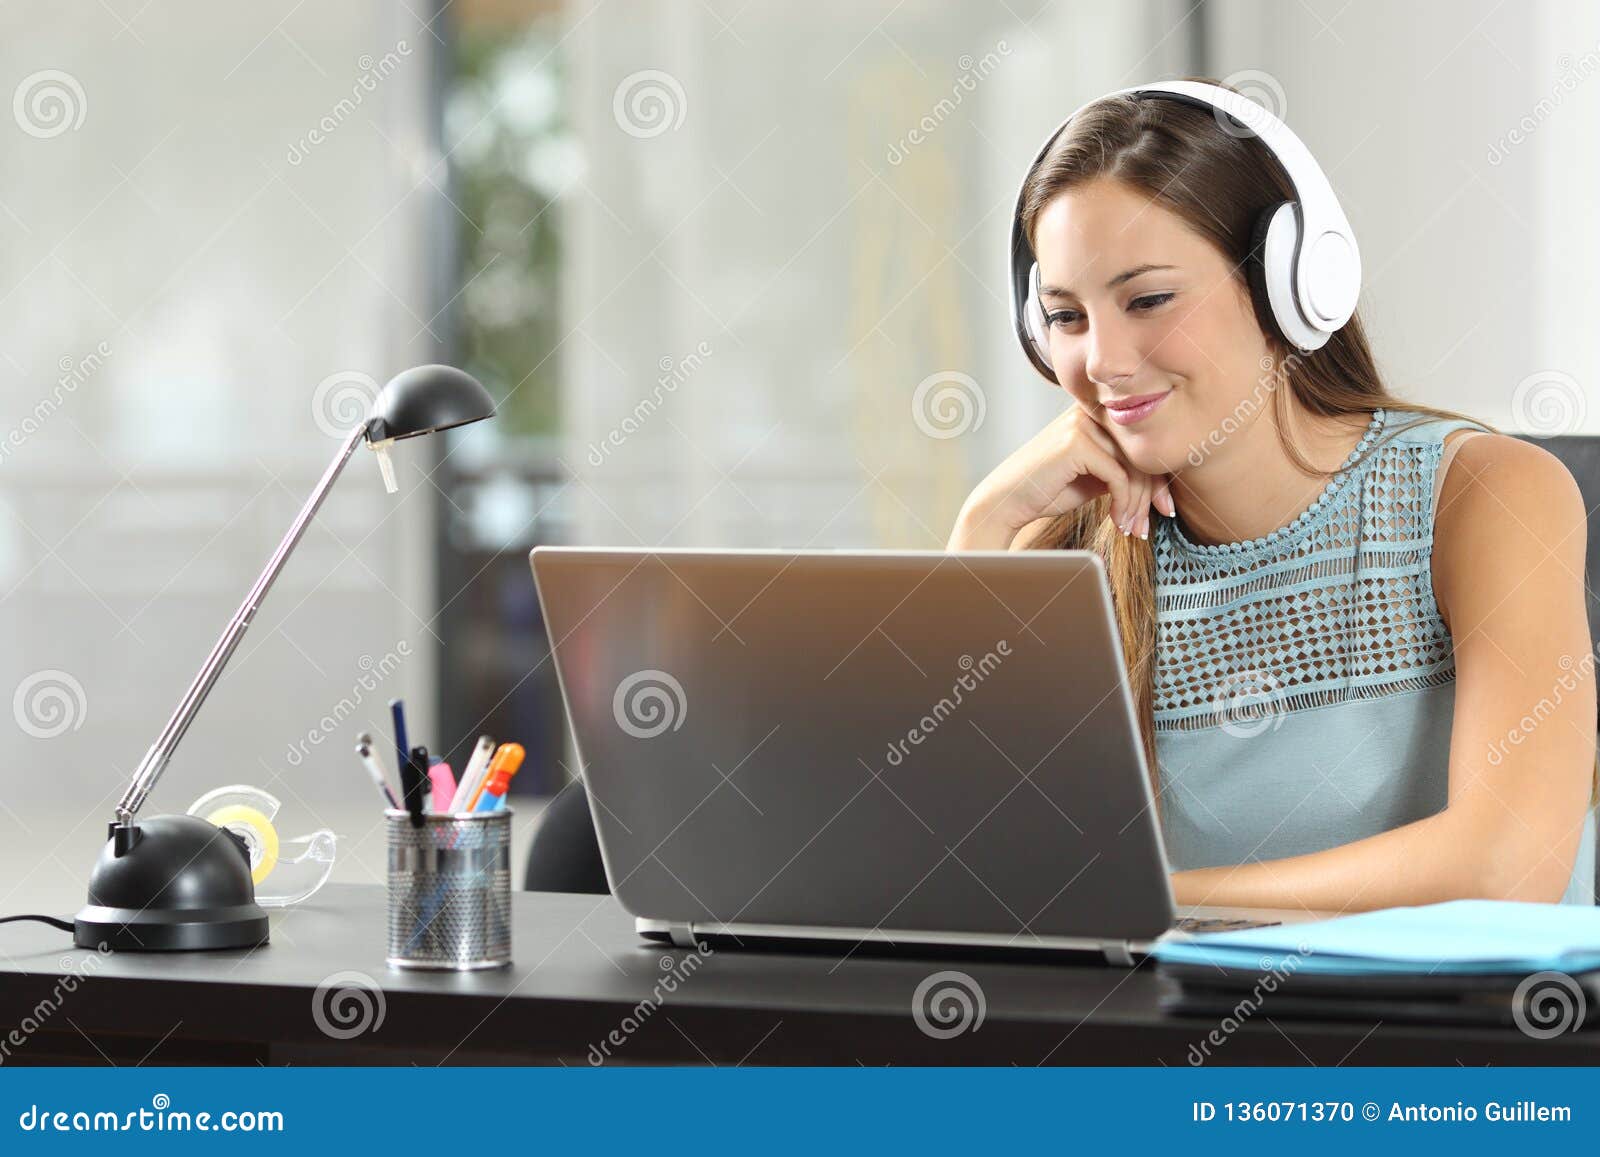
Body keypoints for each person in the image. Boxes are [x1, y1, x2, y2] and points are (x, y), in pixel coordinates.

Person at [948, 79, 1599, 909]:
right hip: (1184, 1036)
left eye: (1148, 300)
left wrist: (1149, 900)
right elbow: (974, 881)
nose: (1104, 360)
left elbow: (1508, 868)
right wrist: (982, 527)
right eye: (1067, 317)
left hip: (1467, 1036)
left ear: (1290, 284)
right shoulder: (1070, 550)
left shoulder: (1484, 494)